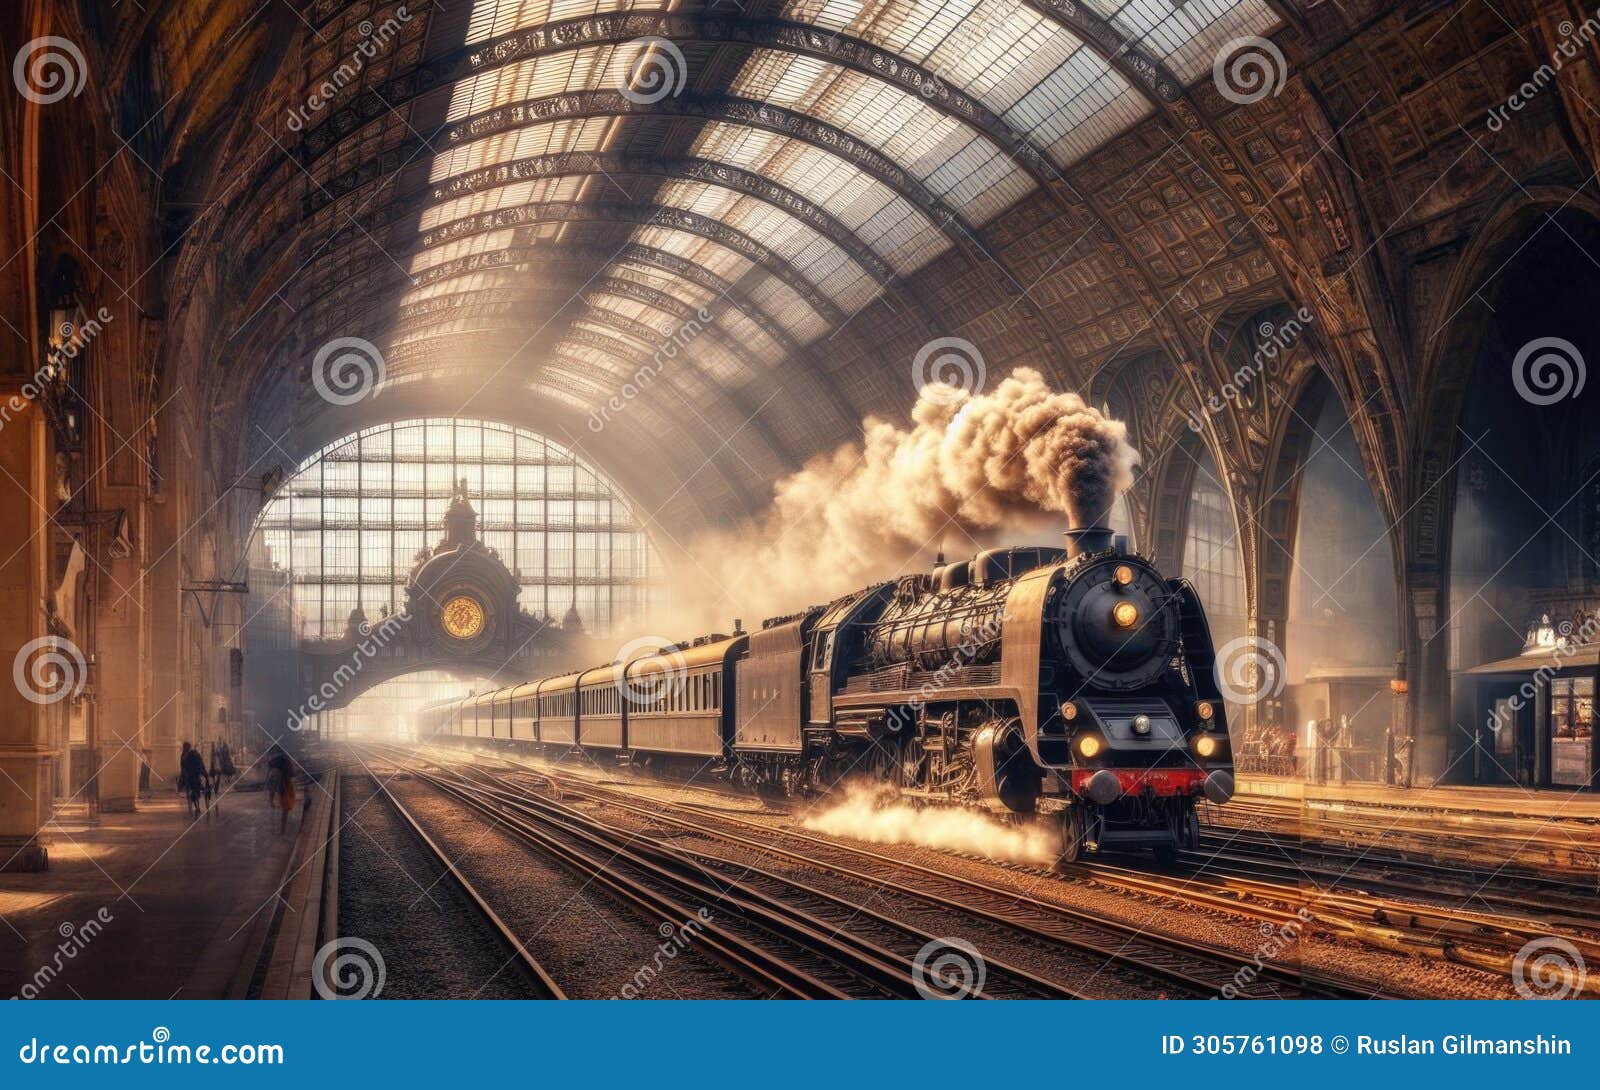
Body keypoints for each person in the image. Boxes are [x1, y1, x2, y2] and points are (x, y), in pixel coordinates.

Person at [265, 747, 295, 833]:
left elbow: (269, 780)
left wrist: (271, 799)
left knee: (276, 807)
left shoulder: (273, 763)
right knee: (285, 808)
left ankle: (277, 829)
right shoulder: (285, 759)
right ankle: (282, 830)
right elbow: (291, 773)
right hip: (284, 785)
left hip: (279, 786)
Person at [178, 741, 208, 819]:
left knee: (191, 790)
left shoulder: (184, 755)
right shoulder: (195, 755)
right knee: (195, 790)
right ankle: (196, 805)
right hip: (195, 777)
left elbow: (182, 767)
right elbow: (200, 765)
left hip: (188, 777)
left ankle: (194, 804)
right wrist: (204, 774)